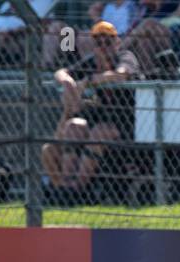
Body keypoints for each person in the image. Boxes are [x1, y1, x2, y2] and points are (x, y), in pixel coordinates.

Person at [42, 20, 138, 201]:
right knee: (72, 128)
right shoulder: (92, 61)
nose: (103, 47)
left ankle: (78, 188)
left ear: (117, 42)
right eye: (98, 42)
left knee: (98, 132)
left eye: (108, 41)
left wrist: (90, 81)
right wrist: (67, 81)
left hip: (127, 123)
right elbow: (62, 71)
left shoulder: (126, 56)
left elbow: (120, 74)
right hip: (100, 120)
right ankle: (65, 188)